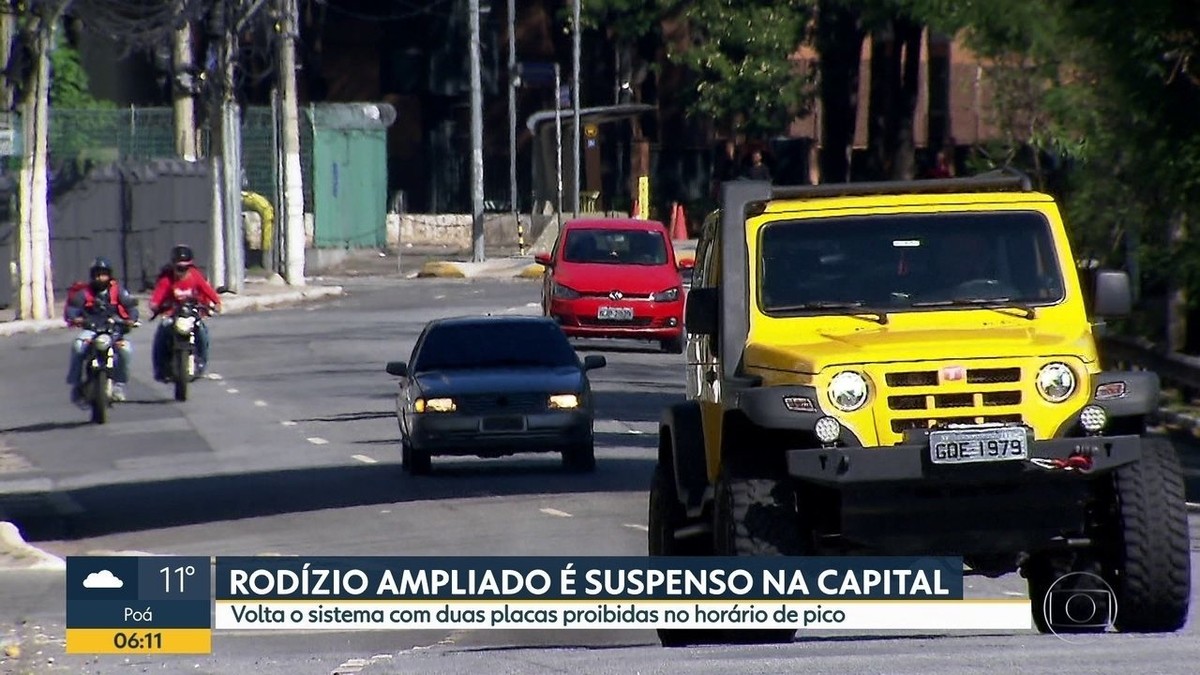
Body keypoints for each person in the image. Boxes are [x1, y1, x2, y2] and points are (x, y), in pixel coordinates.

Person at [64, 257, 140, 406]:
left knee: (126, 350)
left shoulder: (118, 291)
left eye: (103, 274)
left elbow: (130, 306)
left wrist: (131, 319)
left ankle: (119, 385)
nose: (100, 278)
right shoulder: (84, 293)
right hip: (91, 330)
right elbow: (72, 309)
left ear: (109, 275)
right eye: (97, 274)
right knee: (78, 346)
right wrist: (75, 318)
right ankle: (76, 383)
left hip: (113, 331)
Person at [149, 245, 222, 381]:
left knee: (202, 333)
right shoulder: (167, 279)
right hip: (172, 314)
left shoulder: (195, 276)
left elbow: (207, 290)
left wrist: (216, 303)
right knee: (162, 333)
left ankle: (200, 363)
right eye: (179, 268)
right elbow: (157, 296)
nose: (182, 272)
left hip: (191, 313)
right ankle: (160, 368)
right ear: (173, 266)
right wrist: (155, 305)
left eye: (185, 268)